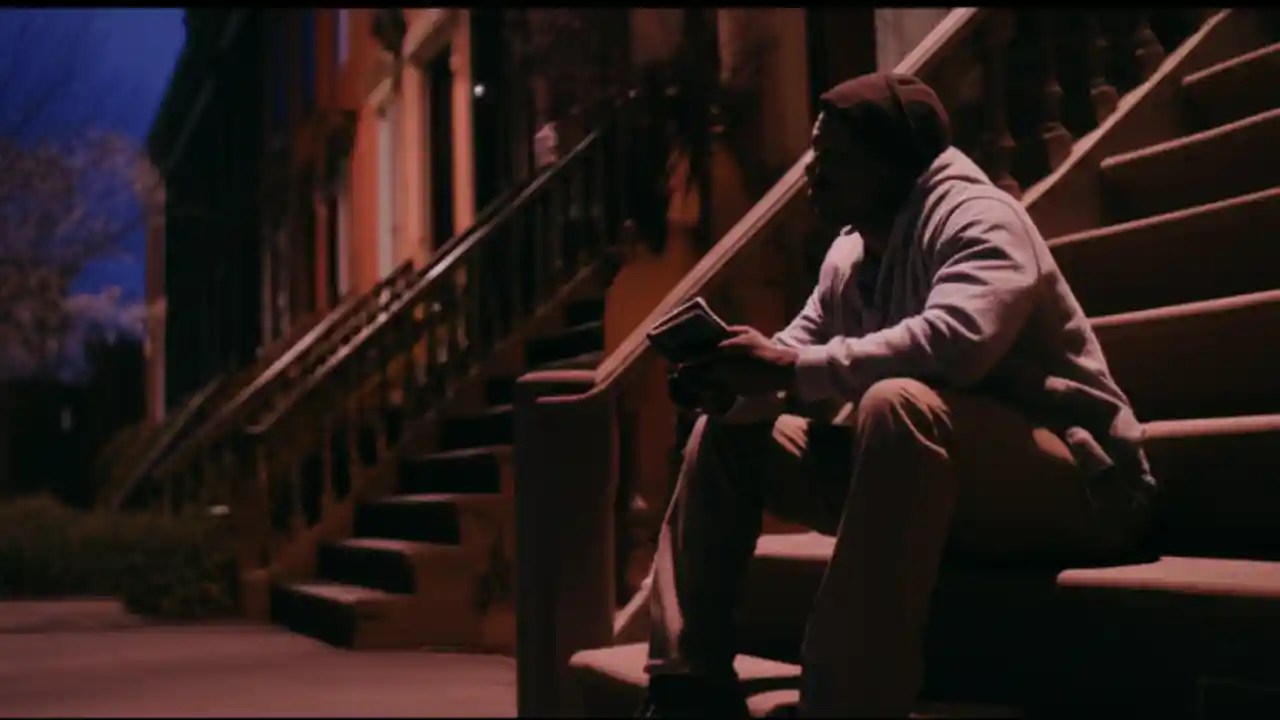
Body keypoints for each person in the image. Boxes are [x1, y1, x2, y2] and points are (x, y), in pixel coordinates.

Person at [638, 72, 1158, 718]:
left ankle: (845, 701)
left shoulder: (981, 217)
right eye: (814, 159)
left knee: (895, 405)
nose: (813, 177)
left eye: (833, 161)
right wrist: (732, 383)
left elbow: (957, 343)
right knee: (729, 431)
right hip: (935, 485)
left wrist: (787, 367)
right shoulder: (847, 255)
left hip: (1079, 484)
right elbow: (794, 357)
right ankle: (685, 681)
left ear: (891, 163)